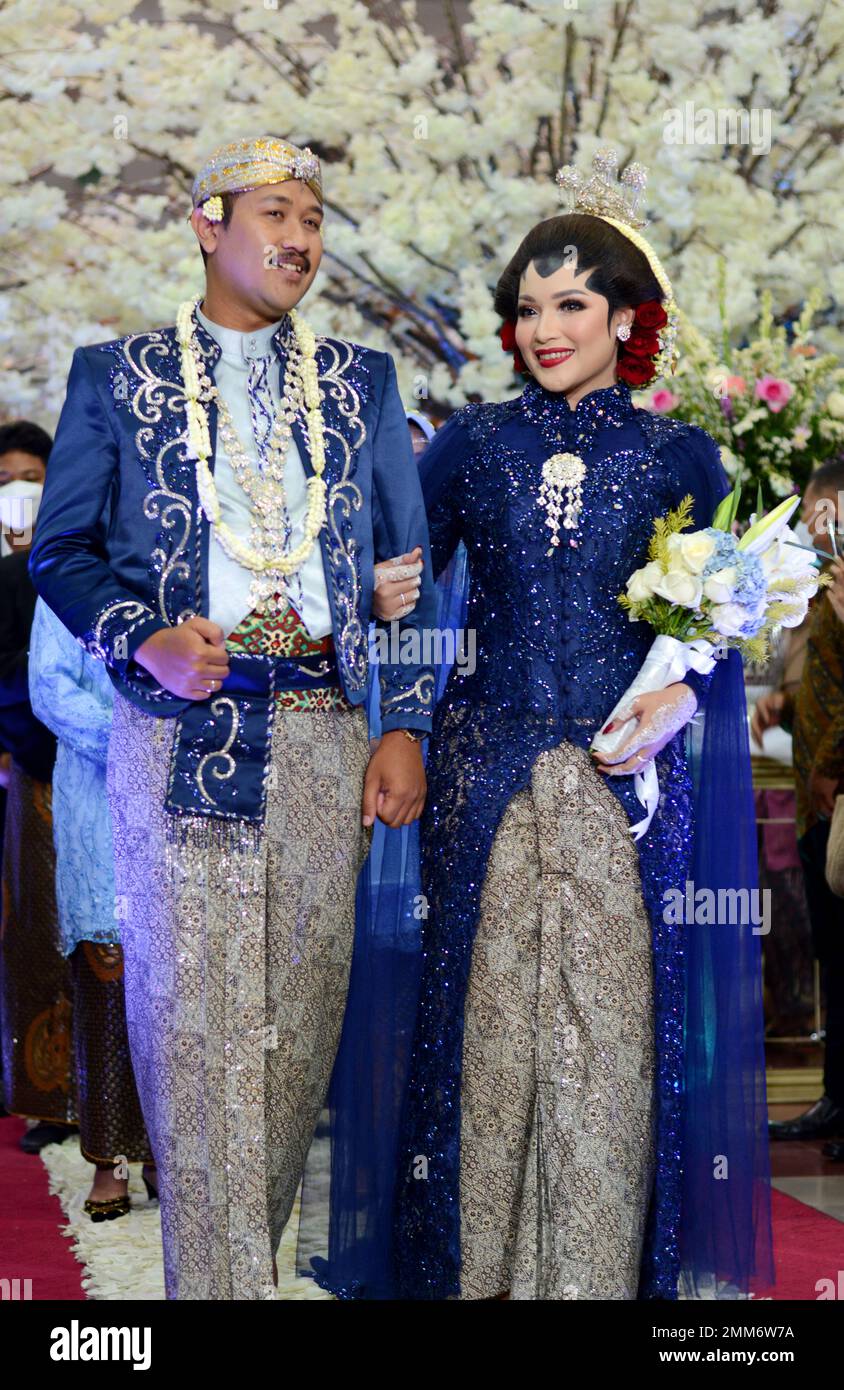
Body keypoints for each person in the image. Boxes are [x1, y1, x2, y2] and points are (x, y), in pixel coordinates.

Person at [317, 147, 773, 1301]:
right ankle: (476, 1276)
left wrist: (685, 690)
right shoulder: (471, 442)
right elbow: (409, 593)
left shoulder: (685, 457)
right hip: (486, 773)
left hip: (626, 785)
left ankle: (590, 1275)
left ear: (626, 318)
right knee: (489, 1028)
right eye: (527, 307)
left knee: (608, 1035)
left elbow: (720, 623)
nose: (544, 326)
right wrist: (405, 724)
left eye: (571, 302)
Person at [29, 134, 437, 1299]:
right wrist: (142, 635)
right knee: (191, 1033)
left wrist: (400, 720)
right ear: (208, 226)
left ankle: (224, 1280)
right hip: (178, 733)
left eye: (313, 217)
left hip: (320, 724)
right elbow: (61, 549)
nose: (300, 237)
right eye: (274, 212)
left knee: (294, 1036)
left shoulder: (361, 384)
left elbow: (401, 565)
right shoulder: (118, 374)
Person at [29, 596, 157, 1219]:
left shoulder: (177, 561)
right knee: (106, 976)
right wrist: (140, 741)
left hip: (182, 797)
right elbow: (49, 688)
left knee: (177, 984)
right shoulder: (66, 582)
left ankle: (171, 1151)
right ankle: (108, 1161)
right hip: (98, 797)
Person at [754, 462, 844, 1146]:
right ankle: (836, 1098)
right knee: (832, 955)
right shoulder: (821, 582)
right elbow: (822, 677)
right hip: (815, 793)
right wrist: (782, 703)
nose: (817, 530)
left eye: (823, 515)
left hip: (834, 784)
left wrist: (835, 766)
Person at [0, 421, 77, 1152]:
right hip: (31, 771)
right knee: (35, 934)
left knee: (108, 941)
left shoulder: (83, 562)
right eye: (4, 483)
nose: (19, 495)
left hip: (98, 768)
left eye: (32, 479)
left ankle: (122, 1114)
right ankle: (48, 1098)